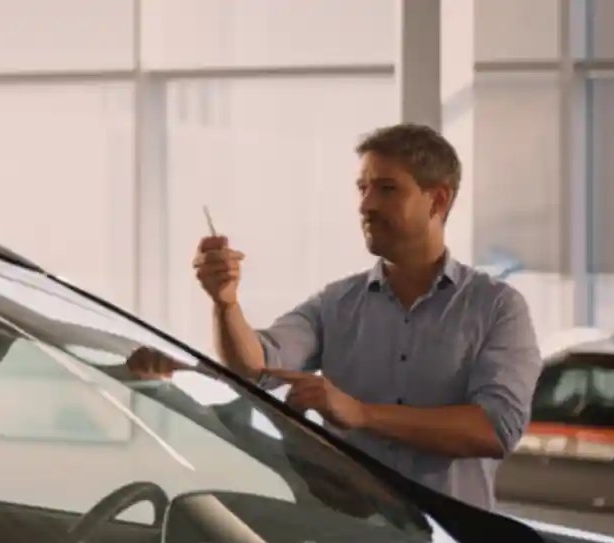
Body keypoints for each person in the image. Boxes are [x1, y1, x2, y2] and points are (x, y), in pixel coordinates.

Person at [129, 123, 542, 510]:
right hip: (350, 542)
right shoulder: (336, 303)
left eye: (386, 189)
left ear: (438, 200)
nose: (366, 205)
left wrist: (362, 413)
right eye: (362, 188)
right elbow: (255, 366)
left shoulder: (496, 307)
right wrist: (225, 304)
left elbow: (495, 429)